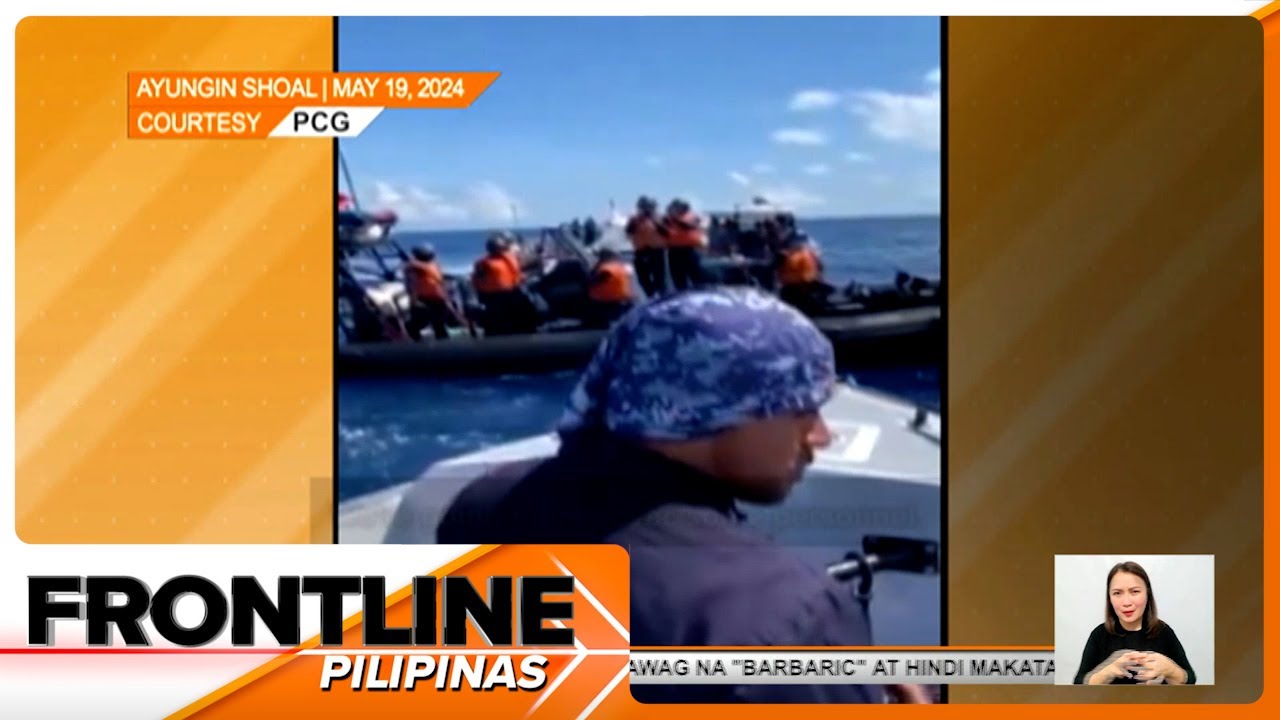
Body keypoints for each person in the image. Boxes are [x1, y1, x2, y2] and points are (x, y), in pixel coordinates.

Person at [436, 287, 929, 705]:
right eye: (803, 408)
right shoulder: (790, 618)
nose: (821, 436)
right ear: (713, 411)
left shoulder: (478, 506)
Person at [1072, 561, 1196, 685]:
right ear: (1109, 597)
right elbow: (1078, 684)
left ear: (1147, 594)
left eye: (1135, 592)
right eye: (1117, 593)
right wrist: (1108, 671)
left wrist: (1171, 670)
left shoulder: (1163, 632)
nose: (1126, 602)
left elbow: (1190, 680)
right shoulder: (1099, 635)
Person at [471, 233, 535, 335]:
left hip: (510, 294)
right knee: (500, 323)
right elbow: (478, 281)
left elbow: (517, 271)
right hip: (497, 297)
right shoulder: (485, 263)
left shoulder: (508, 259)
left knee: (523, 314)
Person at [402, 244, 453, 341]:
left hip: (430, 300)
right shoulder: (422, 267)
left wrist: (413, 301)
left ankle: (421, 344)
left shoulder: (417, 268)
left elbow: (411, 285)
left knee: (433, 324)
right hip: (431, 300)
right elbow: (412, 285)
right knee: (435, 325)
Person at [775, 235, 827, 315]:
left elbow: (816, 269)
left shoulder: (798, 255)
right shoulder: (793, 254)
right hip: (799, 285)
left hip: (801, 285)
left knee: (800, 299)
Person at [625, 195, 667, 296]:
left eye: (646, 207)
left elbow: (666, 232)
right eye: (642, 207)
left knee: (659, 278)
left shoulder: (658, 218)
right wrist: (637, 220)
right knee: (643, 278)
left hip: (656, 251)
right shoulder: (634, 219)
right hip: (641, 252)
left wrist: (655, 221)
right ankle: (651, 295)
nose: (644, 209)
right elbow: (628, 231)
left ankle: (661, 296)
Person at [661, 198, 705, 291]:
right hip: (674, 251)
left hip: (690, 250)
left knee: (697, 277)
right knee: (678, 280)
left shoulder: (693, 216)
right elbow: (663, 232)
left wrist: (675, 219)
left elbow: (690, 226)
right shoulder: (667, 220)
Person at [583, 248, 634, 328]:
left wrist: (593, 270)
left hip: (607, 299)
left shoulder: (606, 269)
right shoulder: (619, 266)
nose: (597, 259)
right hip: (622, 297)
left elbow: (592, 281)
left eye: (599, 257)